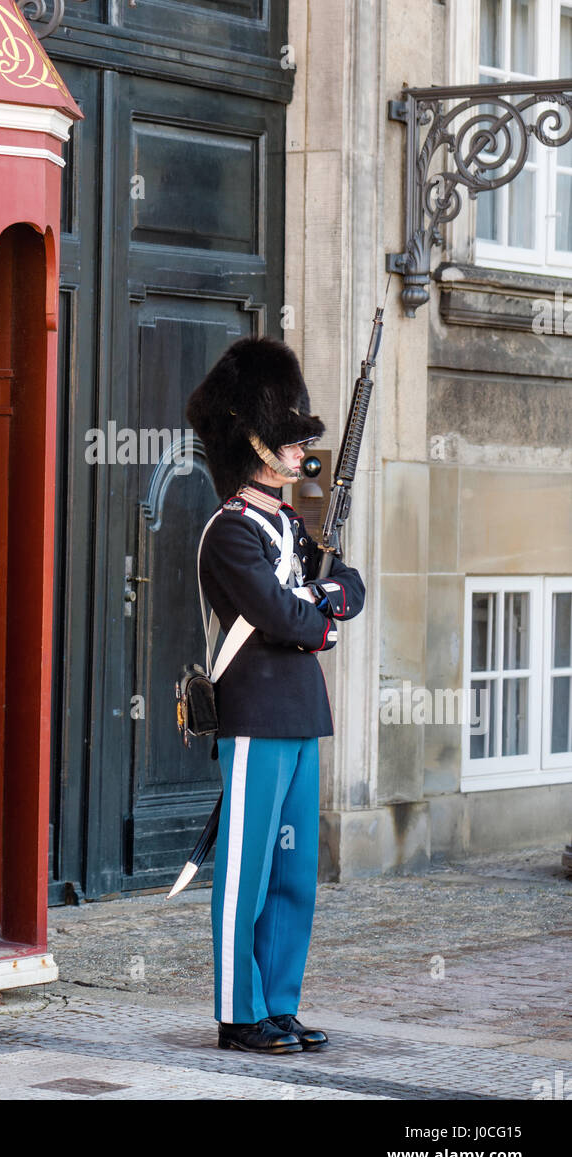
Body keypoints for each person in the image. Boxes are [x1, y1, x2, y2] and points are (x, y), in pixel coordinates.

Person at [185, 335, 365, 1055]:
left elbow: (348, 588)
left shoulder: (289, 527)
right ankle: (237, 1012)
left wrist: (322, 597)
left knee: (293, 874)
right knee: (245, 873)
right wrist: (321, 605)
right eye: (289, 442)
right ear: (254, 442)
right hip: (255, 714)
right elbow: (288, 617)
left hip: (298, 711)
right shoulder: (231, 532)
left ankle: (277, 1003)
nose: (300, 454)